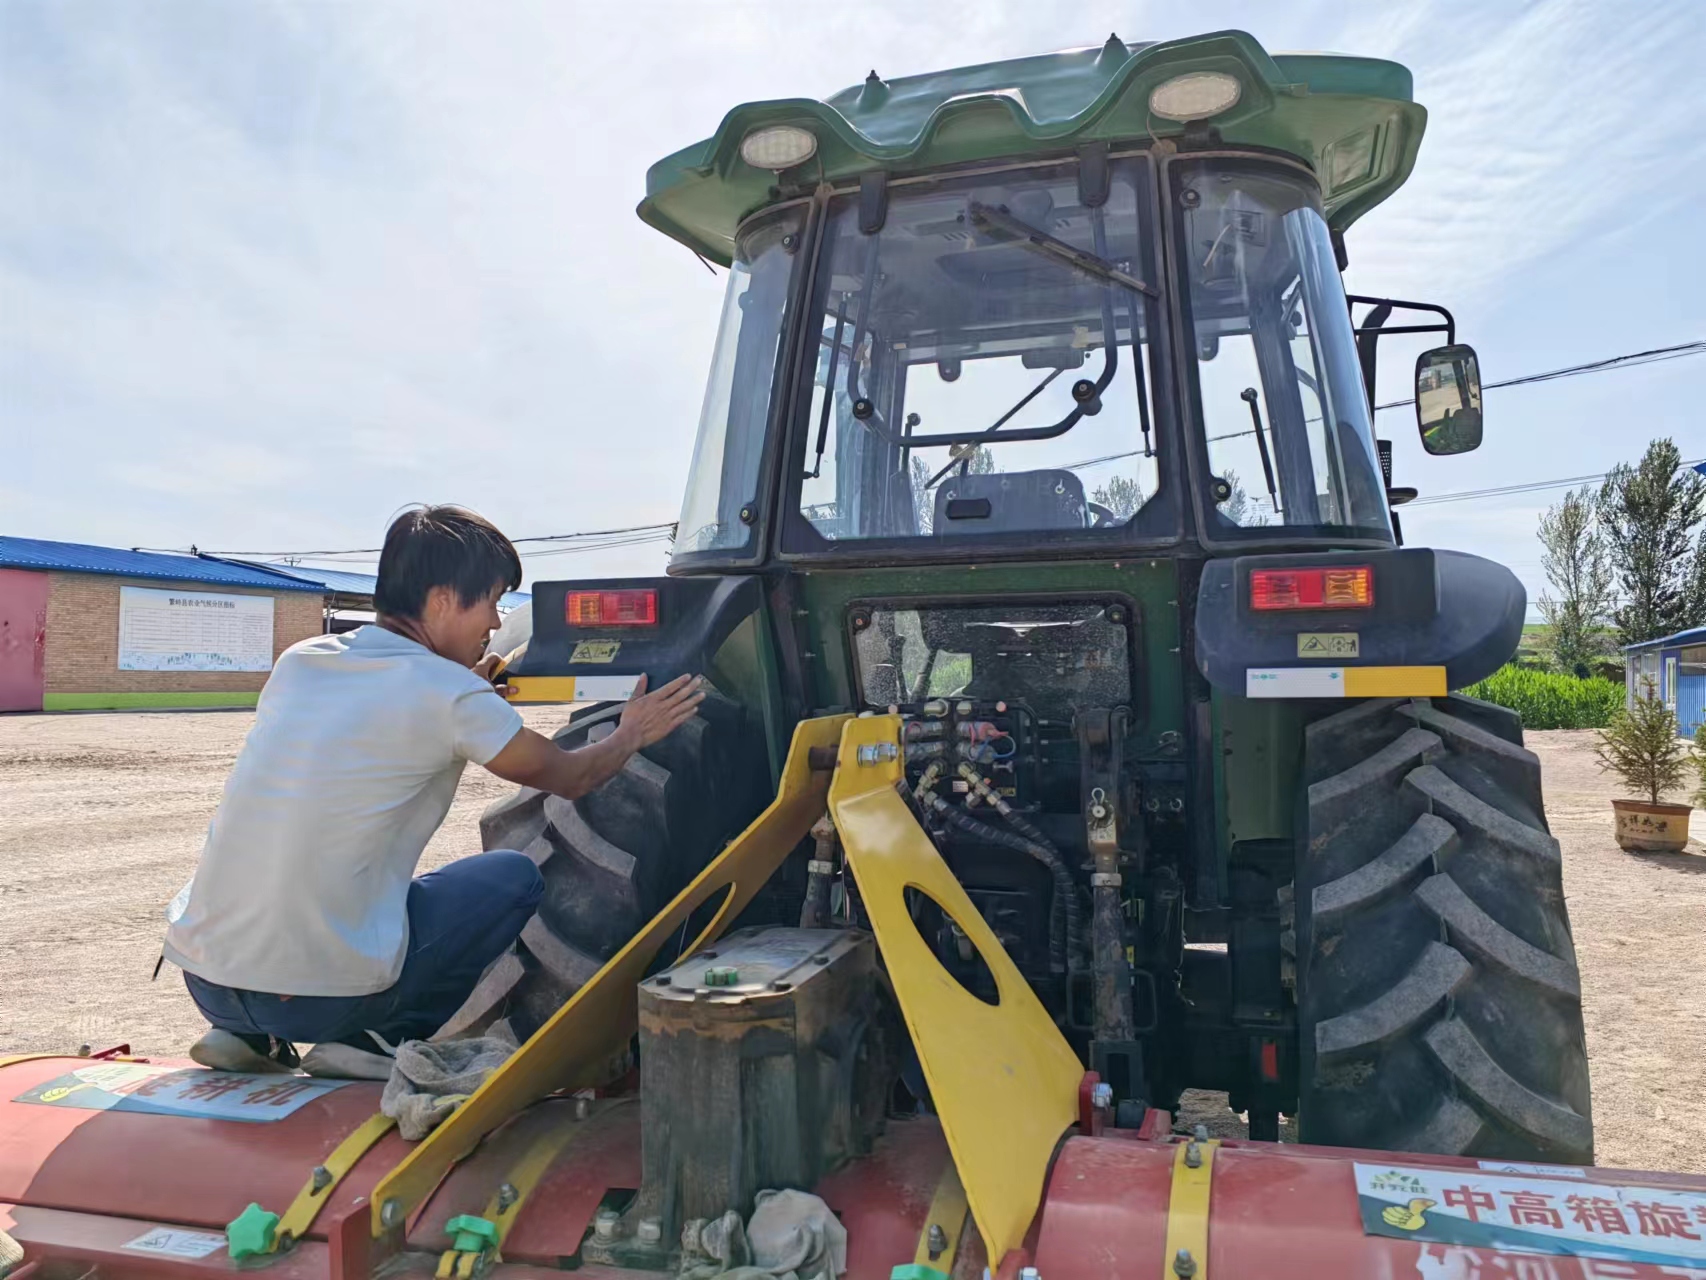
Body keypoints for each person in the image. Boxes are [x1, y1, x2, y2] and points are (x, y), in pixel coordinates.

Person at [162, 505, 703, 1078]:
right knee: (513, 877)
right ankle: (373, 1039)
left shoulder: (302, 662)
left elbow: (384, 711)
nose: (495, 623)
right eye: (491, 601)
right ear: (443, 599)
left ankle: (243, 1037)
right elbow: (569, 776)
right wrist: (631, 733)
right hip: (319, 998)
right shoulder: (446, 694)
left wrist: (463, 692)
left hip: (207, 979)